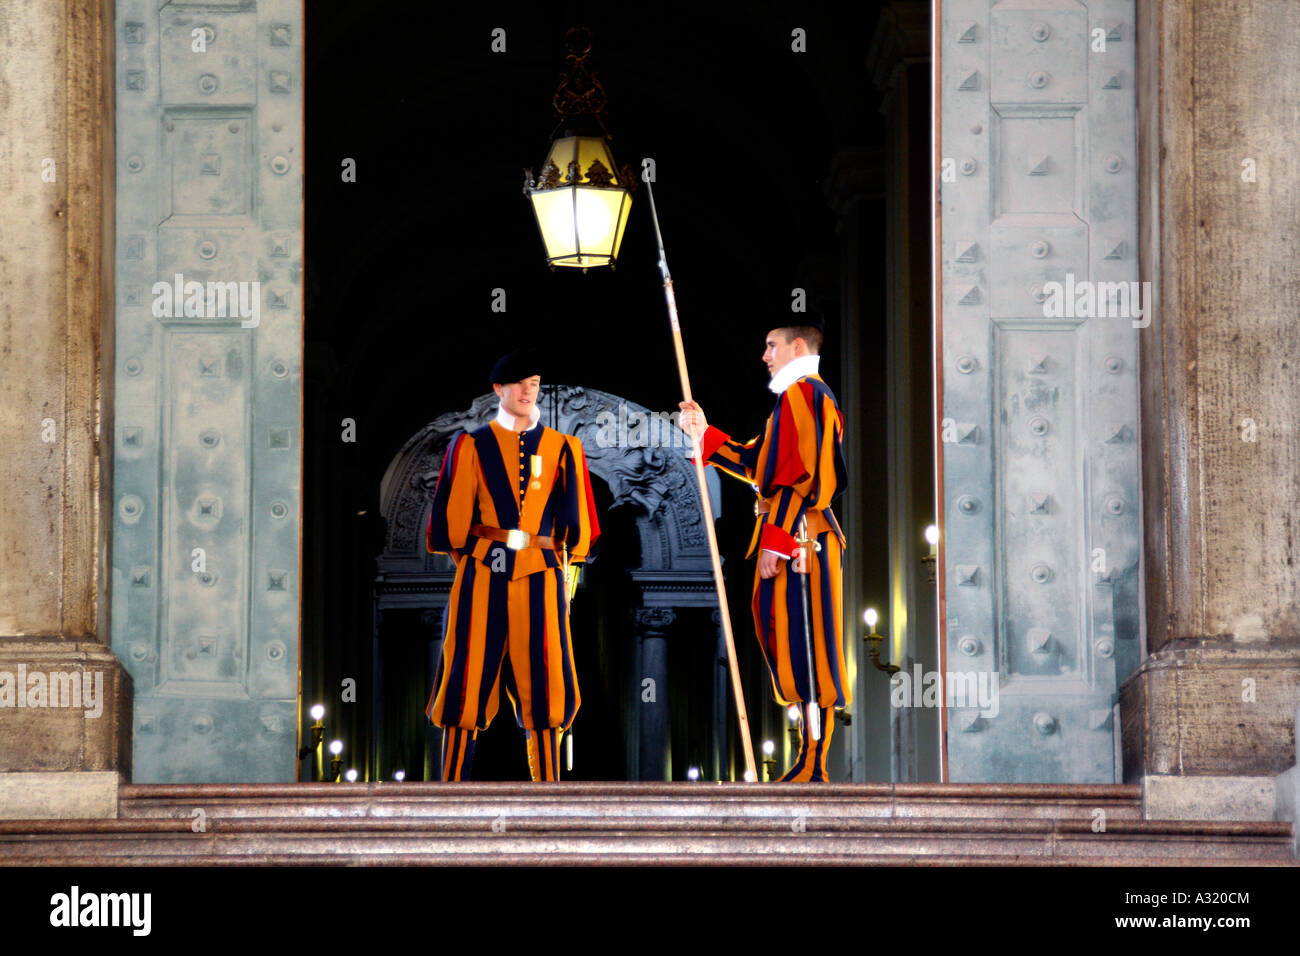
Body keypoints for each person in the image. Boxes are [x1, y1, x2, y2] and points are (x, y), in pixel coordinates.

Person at [678, 313, 850, 781]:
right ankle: (808, 759)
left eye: (771, 345)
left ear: (798, 348)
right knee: (794, 649)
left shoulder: (806, 393)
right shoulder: (794, 402)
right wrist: (705, 434)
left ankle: (814, 764)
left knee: (809, 652)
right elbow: (760, 464)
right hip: (795, 536)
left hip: (800, 540)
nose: (764, 355)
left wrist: (777, 539)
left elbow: (800, 476)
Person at [425, 348, 600, 781]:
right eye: (519, 383)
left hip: (541, 570)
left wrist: (566, 562)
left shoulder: (564, 448)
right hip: (483, 567)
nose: (527, 391)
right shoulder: (470, 444)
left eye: (534, 383)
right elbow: (453, 523)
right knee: (467, 664)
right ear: (498, 389)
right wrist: (477, 558)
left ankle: (550, 788)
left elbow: (577, 523)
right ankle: (449, 786)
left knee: (545, 671)